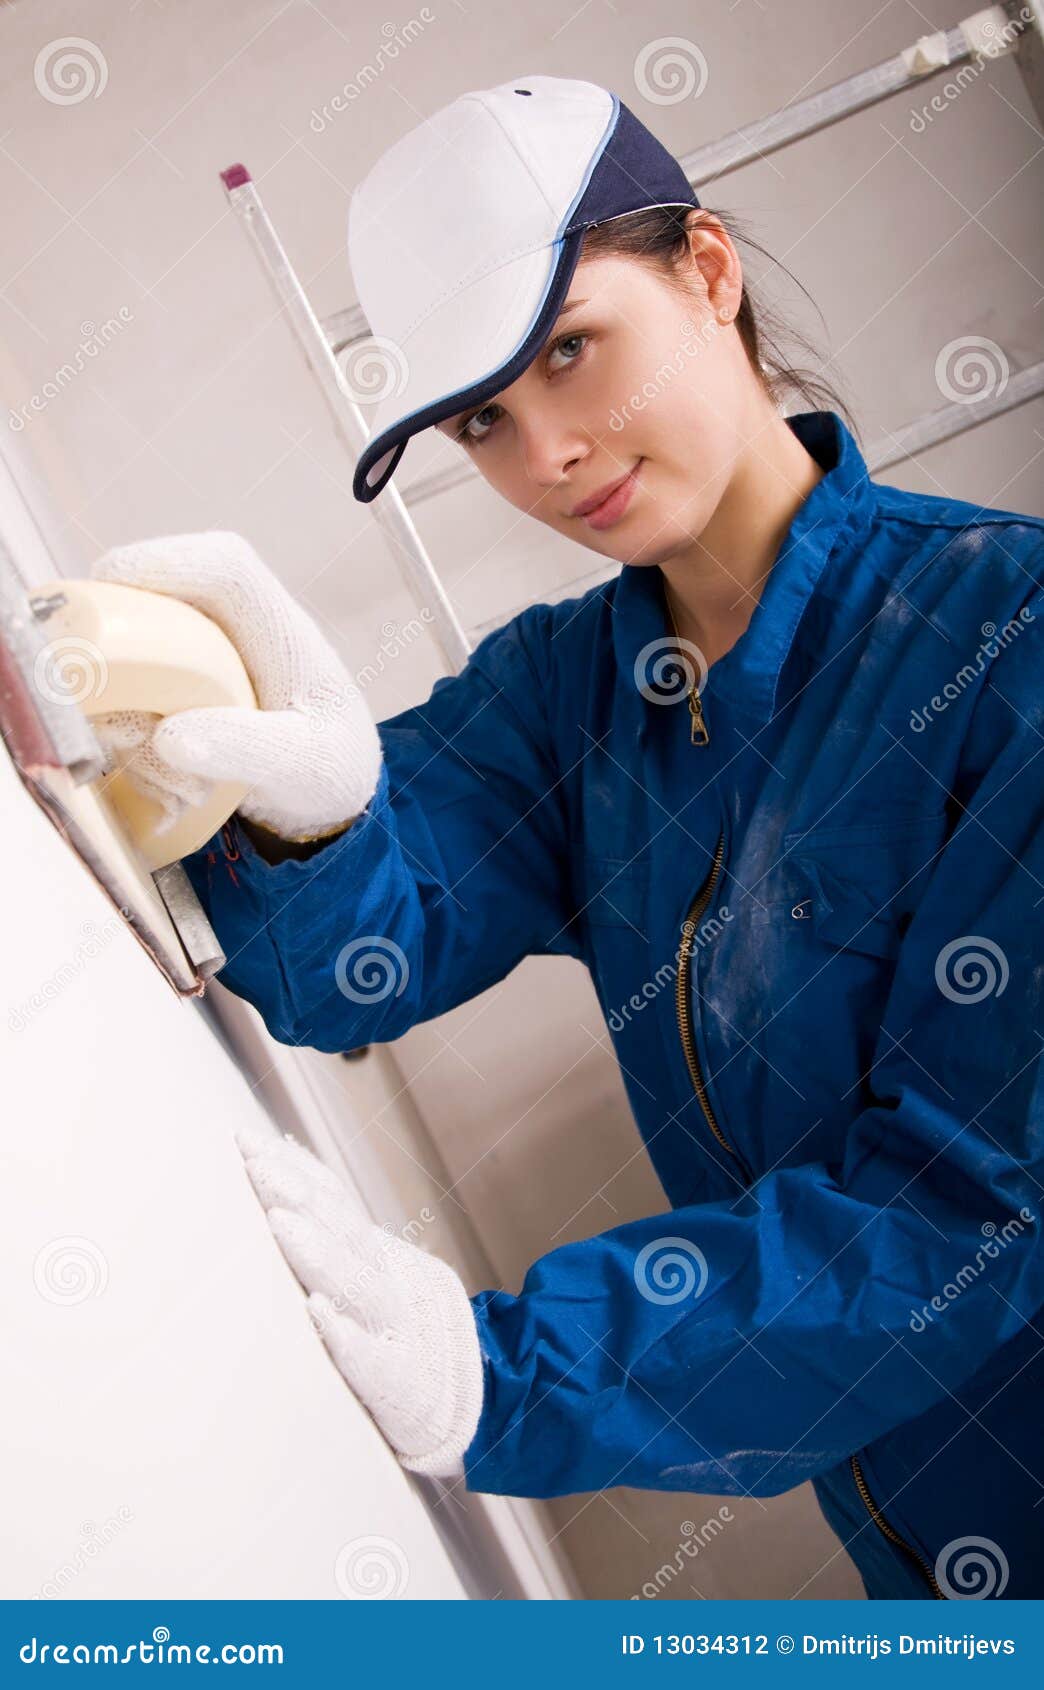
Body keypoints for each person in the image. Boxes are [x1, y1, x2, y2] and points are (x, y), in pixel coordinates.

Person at [89, 75, 1044, 1601]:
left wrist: (508, 1374)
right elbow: (349, 971)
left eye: (569, 354)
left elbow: (970, 1216)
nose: (545, 455)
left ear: (709, 273)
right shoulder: (571, 695)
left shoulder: (1011, 641)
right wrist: (312, 821)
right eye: (486, 418)